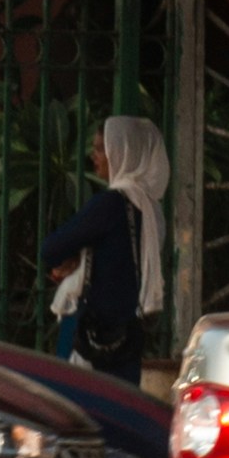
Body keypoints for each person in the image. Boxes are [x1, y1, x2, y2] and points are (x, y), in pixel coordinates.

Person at [39, 115, 170, 382]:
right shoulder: (152, 209)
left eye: (101, 148)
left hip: (92, 333)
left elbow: (51, 249)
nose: (94, 155)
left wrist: (74, 257)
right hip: (128, 336)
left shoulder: (109, 204)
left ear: (121, 152)